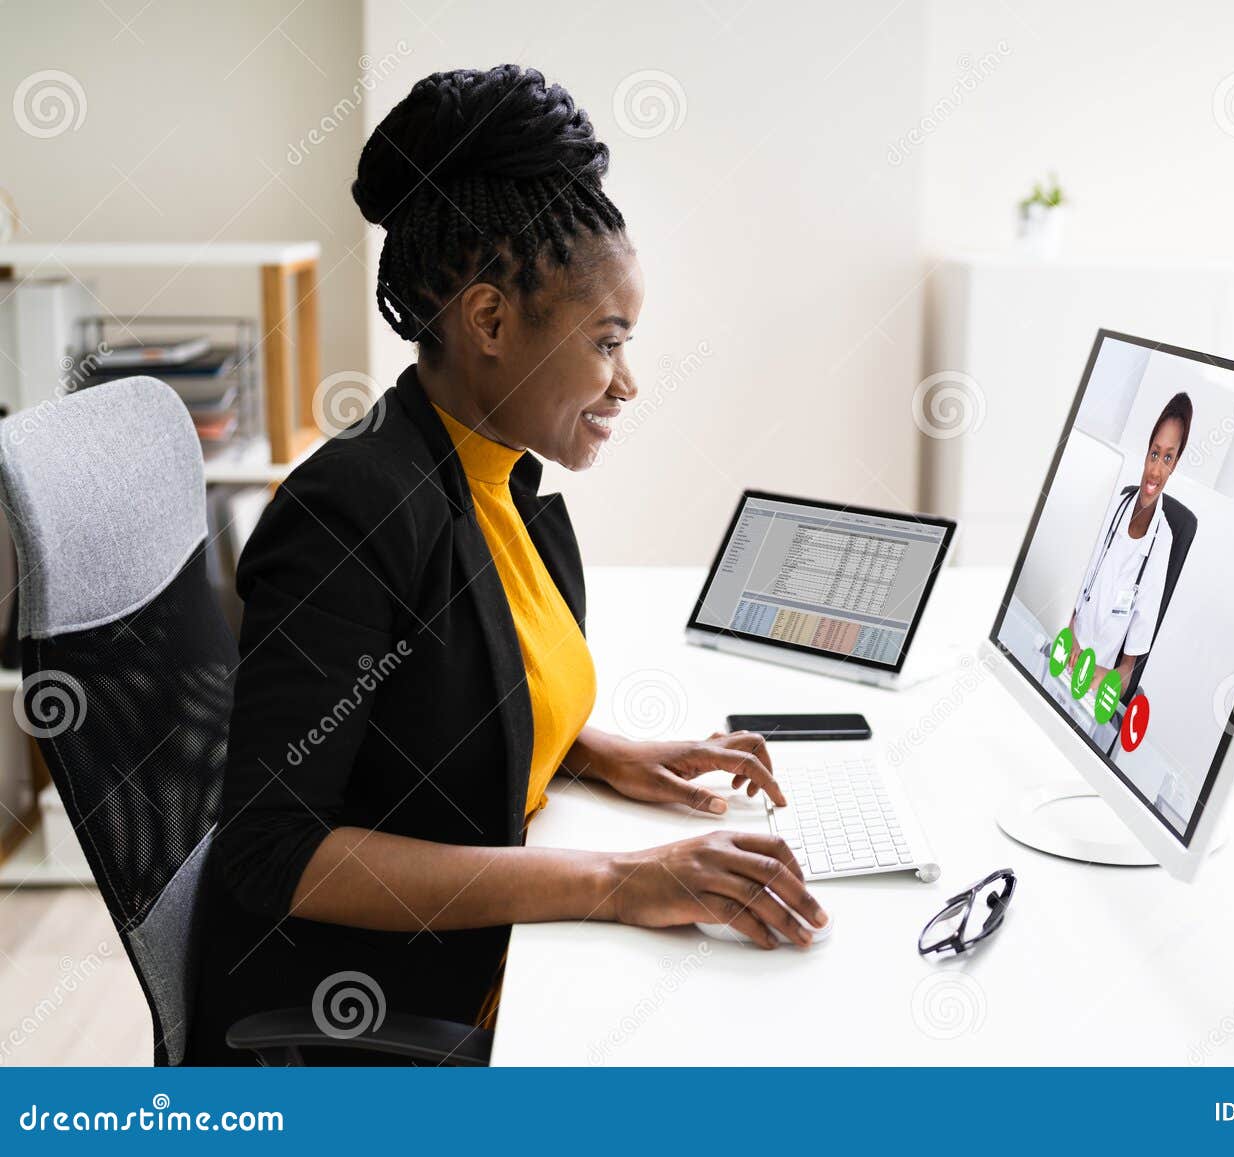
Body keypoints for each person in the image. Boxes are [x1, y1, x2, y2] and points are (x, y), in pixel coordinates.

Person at [193, 65, 826, 1064]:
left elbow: (436, 707)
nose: (627, 381)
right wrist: (618, 878)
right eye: (608, 341)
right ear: (489, 320)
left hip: (499, 958)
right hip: (370, 1009)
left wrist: (598, 749)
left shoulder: (486, 479)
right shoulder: (354, 510)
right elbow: (272, 852)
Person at [1064, 393, 1193, 706]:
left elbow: (1127, 672)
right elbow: (1066, 591)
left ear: (1175, 464)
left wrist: (1100, 676)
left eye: (1167, 458)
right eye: (1154, 454)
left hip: (1090, 693)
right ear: (1146, 453)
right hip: (1061, 651)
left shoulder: (1161, 545)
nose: (1156, 470)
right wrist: (1070, 636)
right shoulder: (1111, 507)